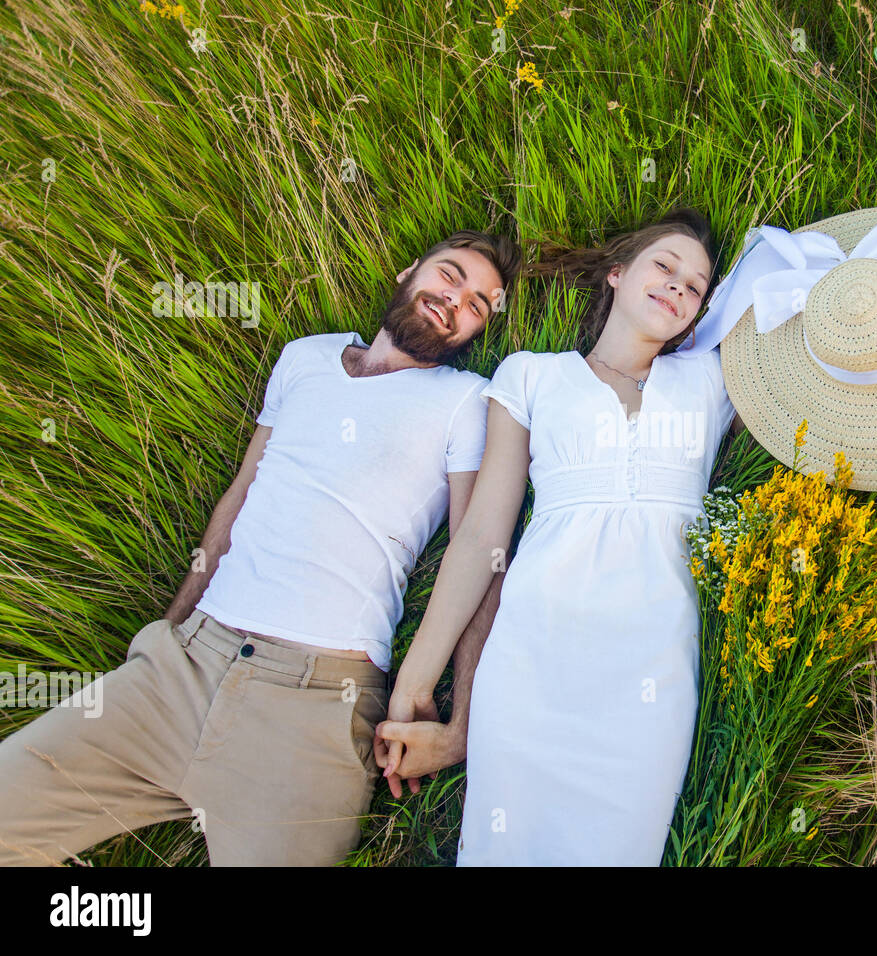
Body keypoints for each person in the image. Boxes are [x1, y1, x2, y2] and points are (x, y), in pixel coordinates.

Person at [0, 229, 521, 866]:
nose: (456, 302)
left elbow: (481, 560)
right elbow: (242, 492)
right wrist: (168, 630)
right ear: (410, 271)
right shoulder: (305, 358)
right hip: (179, 671)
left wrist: (459, 722)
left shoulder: (465, 400)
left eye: (478, 305)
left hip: (316, 708)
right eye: (450, 276)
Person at [376, 209, 746, 865]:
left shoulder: (714, 381)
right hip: (531, 666)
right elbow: (483, 535)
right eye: (665, 266)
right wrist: (417, 677)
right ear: (617, 273)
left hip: (651, 679)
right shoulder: (531, 375)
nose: (679, 287)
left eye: (696, 285)